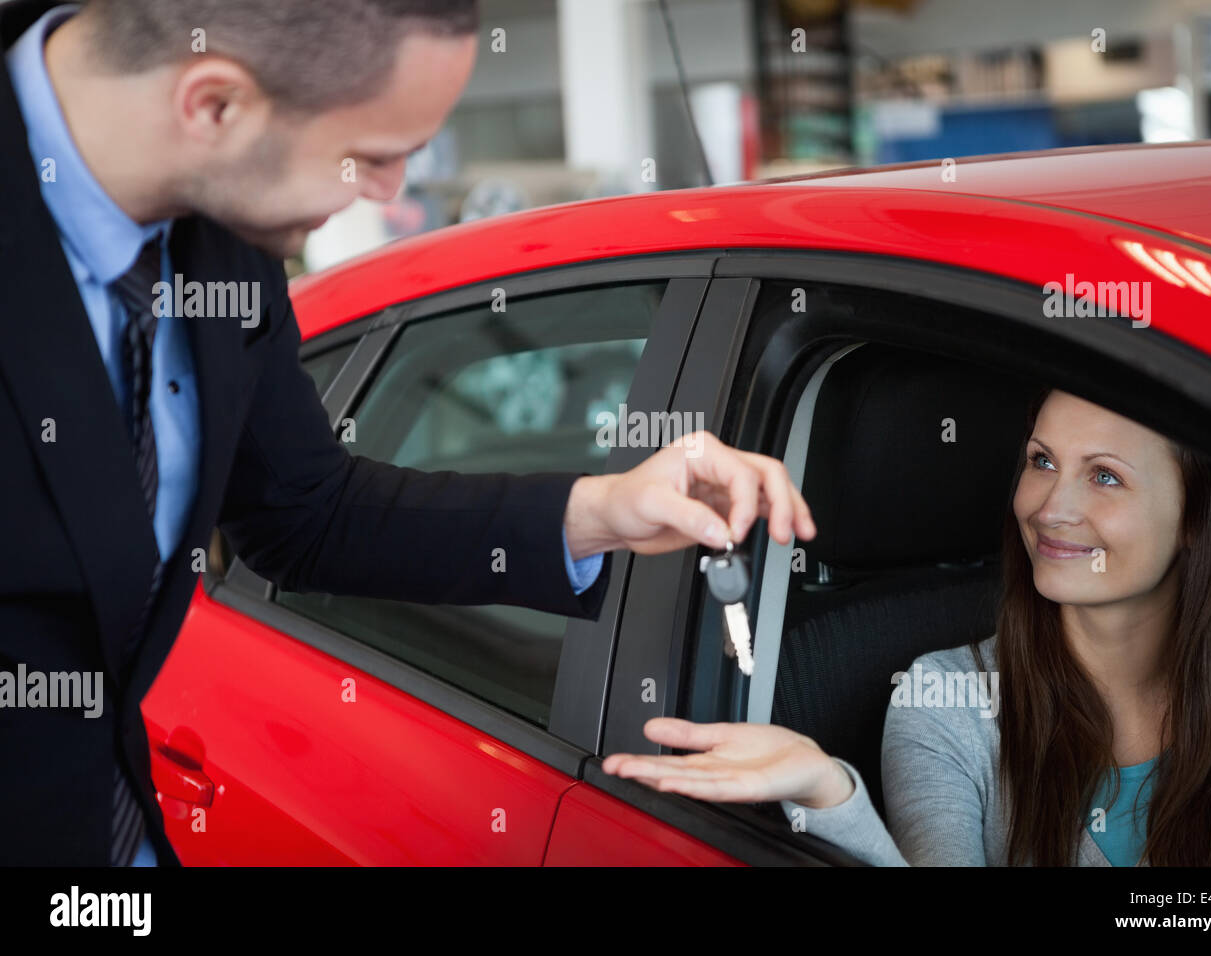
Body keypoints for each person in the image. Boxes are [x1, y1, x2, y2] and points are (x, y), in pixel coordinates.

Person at [0, 0, 817, 866]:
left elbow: (307, 514)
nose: (390, 194)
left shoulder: (221, 232)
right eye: (375, 156)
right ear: (214, 106)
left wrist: (602, 508)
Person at [604, 389, 1211, 865]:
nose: (1050, 507)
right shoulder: (947, 702)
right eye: (1042, 461)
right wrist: (830, 795)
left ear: (1197, 523)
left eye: (1106, 477)